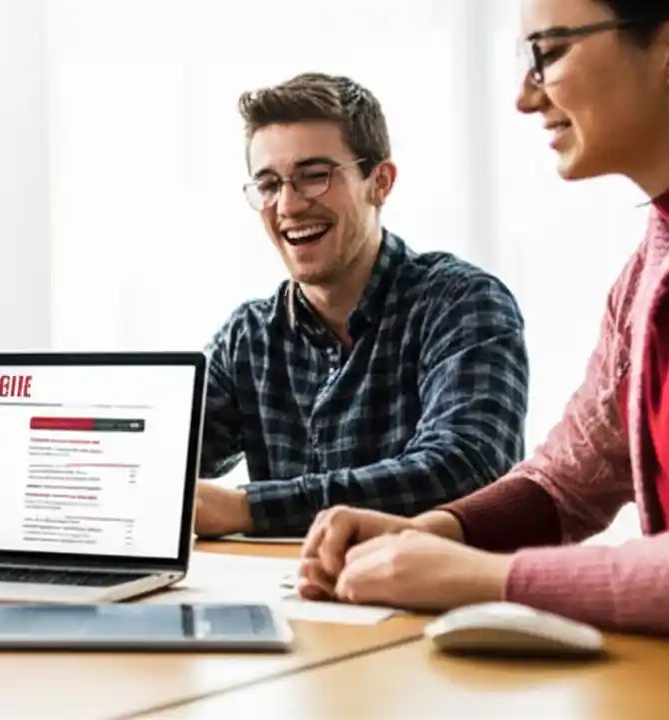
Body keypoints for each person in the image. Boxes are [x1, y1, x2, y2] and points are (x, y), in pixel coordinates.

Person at [298, 0, 669, 640]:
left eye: (546, 54)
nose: (526, 96)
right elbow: (571, 481)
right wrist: (433, 532)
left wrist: (485, 578)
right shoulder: (653, 260)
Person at [193, 73, 530, 538]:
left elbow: (467, 467)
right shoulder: (247, 336)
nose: (288, 205)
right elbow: (164, 460)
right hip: (291, 596)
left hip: (423, 599)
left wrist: (247, 508)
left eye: (314, 176)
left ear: (381, 182)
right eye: (268, 184)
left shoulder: (462, 303)